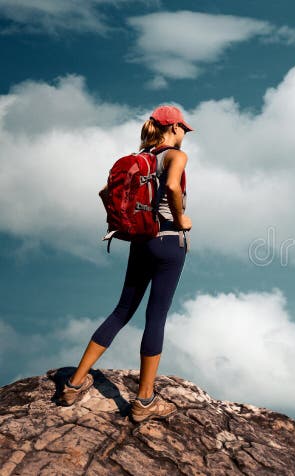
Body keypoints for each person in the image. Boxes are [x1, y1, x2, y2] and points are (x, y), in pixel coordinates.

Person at [60, 105, 194, 423]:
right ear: (173, 128)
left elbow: (105, 192)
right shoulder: (176, 157)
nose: (184, 135)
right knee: (155, 317)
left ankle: (73, 384)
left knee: (122, 310)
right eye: (183, 130)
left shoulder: (140, 160)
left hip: (141, 241)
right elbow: (174, 186)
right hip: (169, 241)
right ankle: (144, 401)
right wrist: (180, 218)